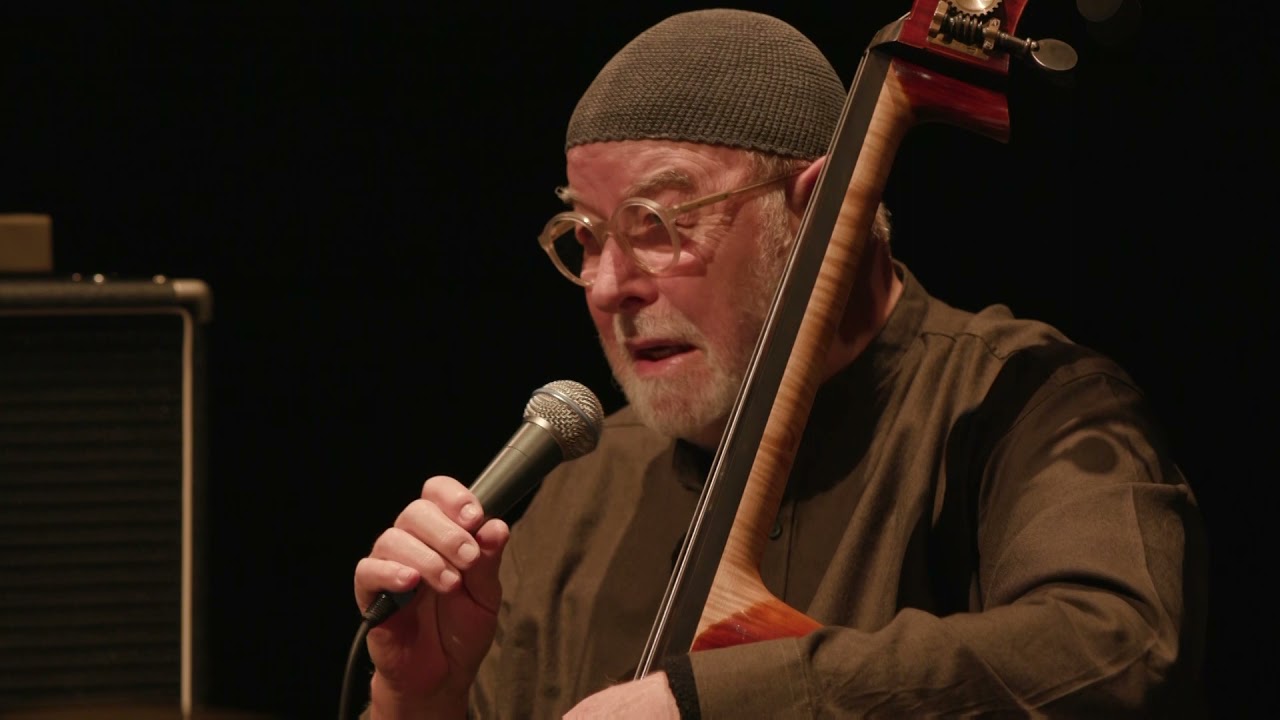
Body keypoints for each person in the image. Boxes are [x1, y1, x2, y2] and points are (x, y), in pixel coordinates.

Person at [353, 8, 1207, 718]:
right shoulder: (584, 487)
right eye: (587, 236)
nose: (610, 286)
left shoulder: (1023, 404)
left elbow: (1119, 650)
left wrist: (714, 703)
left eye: (658, 224)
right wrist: (421, 699)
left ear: (817, 213)